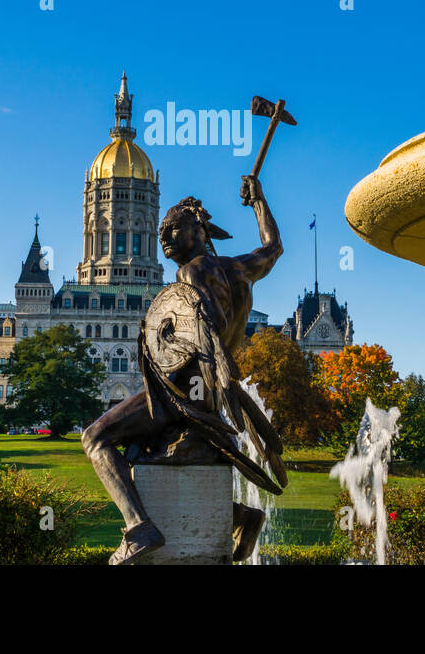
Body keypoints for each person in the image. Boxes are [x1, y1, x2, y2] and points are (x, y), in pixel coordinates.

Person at [82, 174, 285, 565]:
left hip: (180, 392)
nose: (165, 238)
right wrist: (259, 200)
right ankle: (239, 516)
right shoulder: (238, 268)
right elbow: (273, 247)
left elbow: (206, 324)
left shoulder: (190, 275)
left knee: (96, 438)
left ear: (200, 230)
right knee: (142, 449)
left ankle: (139, 529)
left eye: (174, 229)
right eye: (161, 231)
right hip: (205, 394)